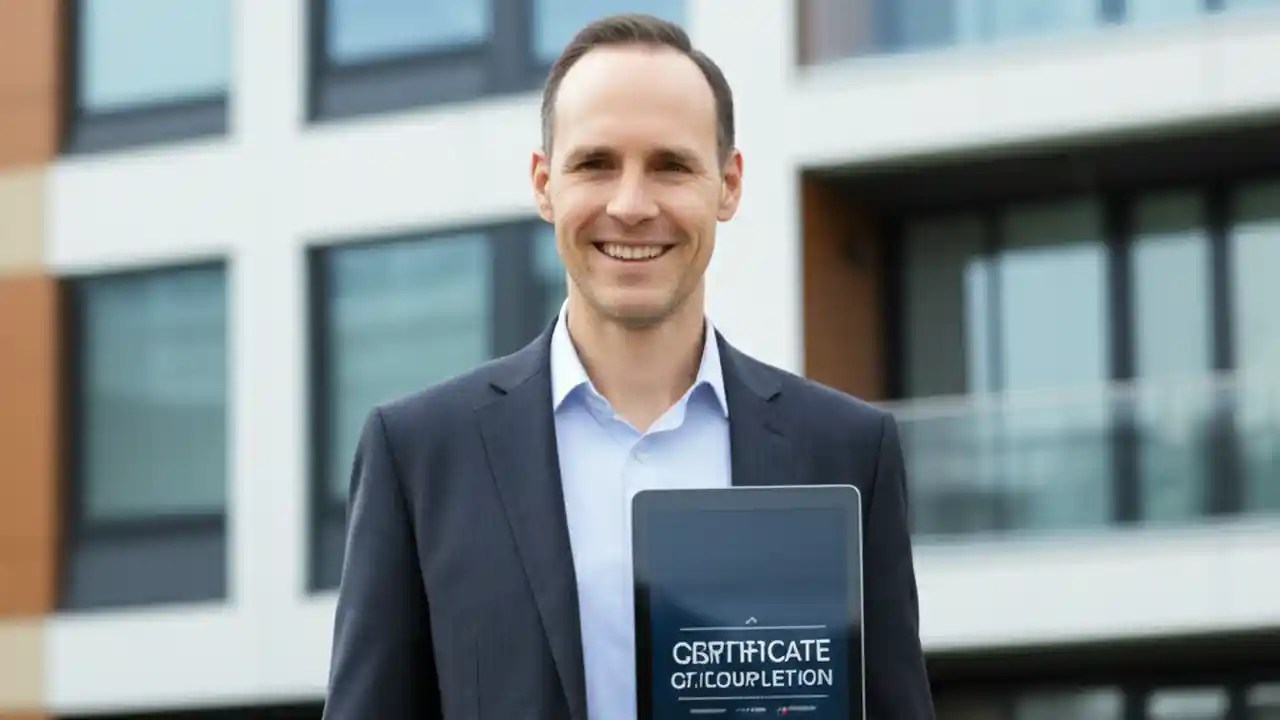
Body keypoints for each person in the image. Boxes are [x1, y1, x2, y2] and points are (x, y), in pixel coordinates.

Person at [321, 13, 934, 720]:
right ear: (544, 184)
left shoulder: (848, 451)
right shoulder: (421, 456)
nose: (632, 205)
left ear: (728, 185)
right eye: (596, 164)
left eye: (671, 165)